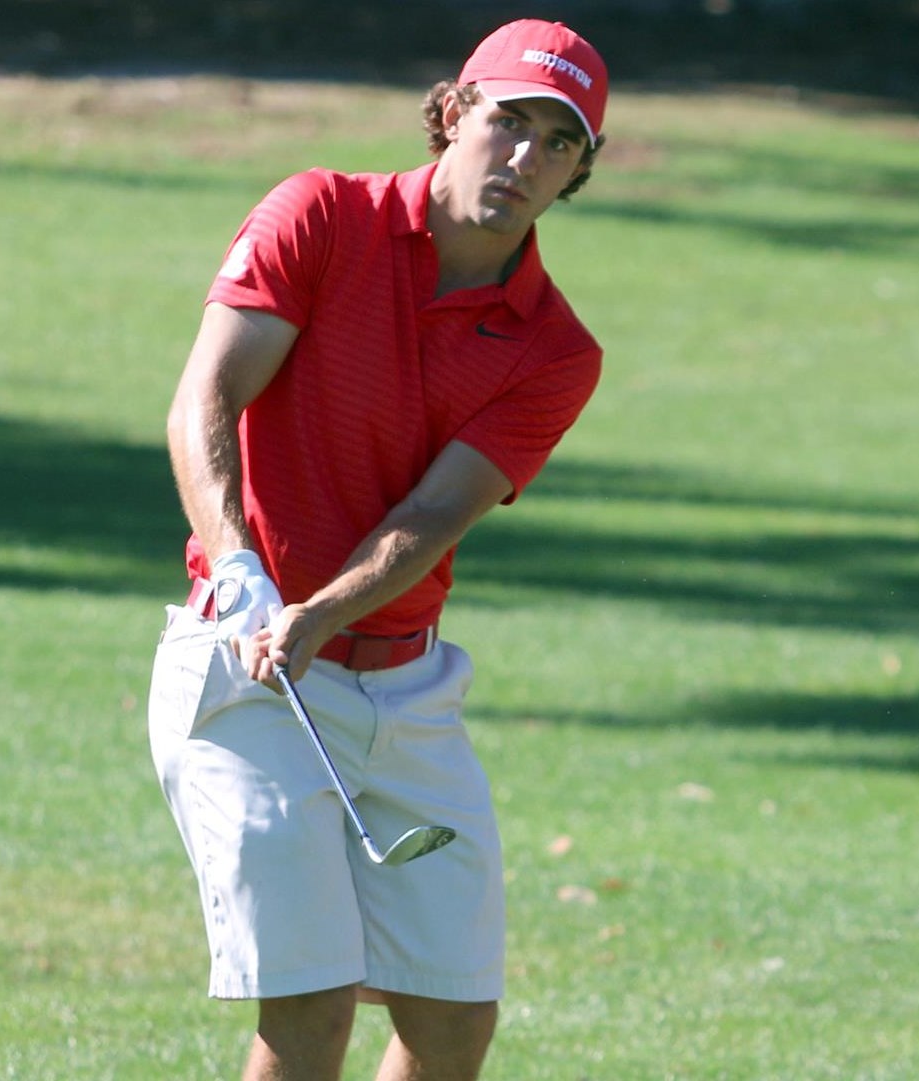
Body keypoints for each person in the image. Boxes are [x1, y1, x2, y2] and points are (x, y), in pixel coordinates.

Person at [149, 18, 609, 1080]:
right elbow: (206, 396)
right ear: (452, 111)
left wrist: (321, 611)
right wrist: (240, 567)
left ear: (580, 169)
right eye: (508, 122)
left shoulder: (553, 349)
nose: (524, 157)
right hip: (244, 673)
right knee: (310, 1007)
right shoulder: (320, 215)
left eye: (558, 143)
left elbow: (436, 511)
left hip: (404, 693)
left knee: (452, 1021)